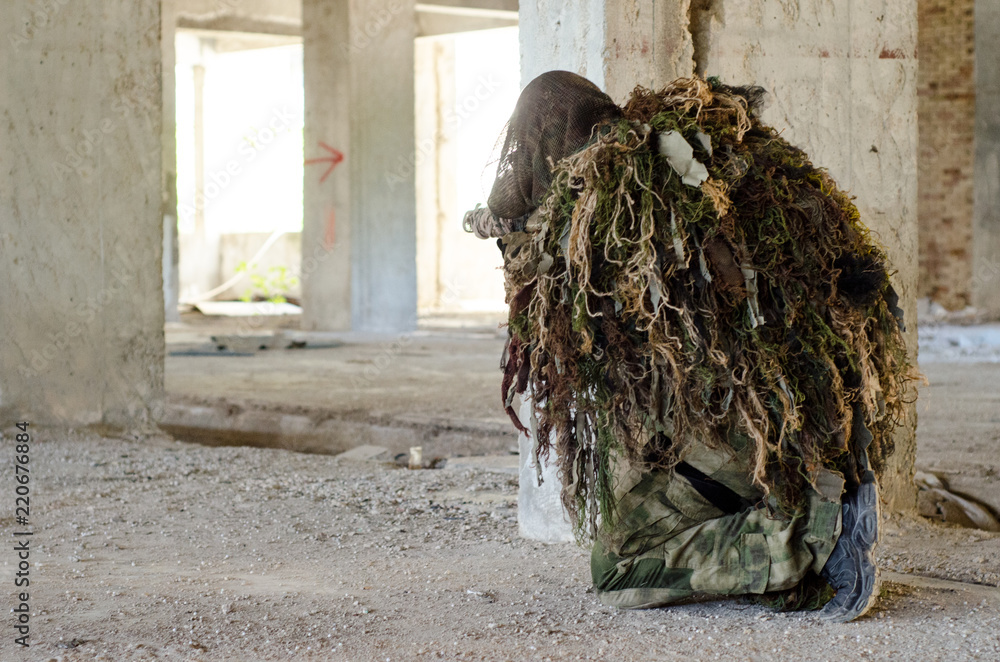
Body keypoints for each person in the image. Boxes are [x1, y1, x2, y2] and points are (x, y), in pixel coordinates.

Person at [465, 71, 907, 623]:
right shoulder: (716, 159)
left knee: (619, 563)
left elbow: (541, 280)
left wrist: (510, 228)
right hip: (819, 416)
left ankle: (812, 531)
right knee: (656, 457)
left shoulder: (605, 219)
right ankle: (815, 492)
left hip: (754, 440)